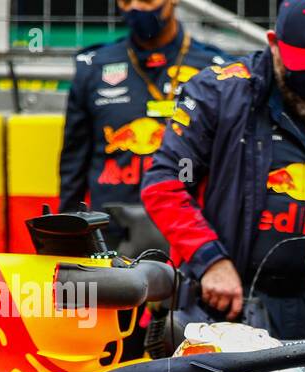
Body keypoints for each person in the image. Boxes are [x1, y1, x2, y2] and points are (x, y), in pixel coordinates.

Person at [141, 0, 305, 340]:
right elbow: (164, 183)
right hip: (230, 298)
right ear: (273, 43)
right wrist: (209, 259)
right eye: (301, 66)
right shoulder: (220, 92)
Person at [58, 0, 226, 249]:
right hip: (110, 234)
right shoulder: (93, 67)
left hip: (189, 234)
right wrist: (66, 239)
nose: (136, 7)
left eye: (147, 0)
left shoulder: (214, 69)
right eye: (127, 1)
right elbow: (73, 166)